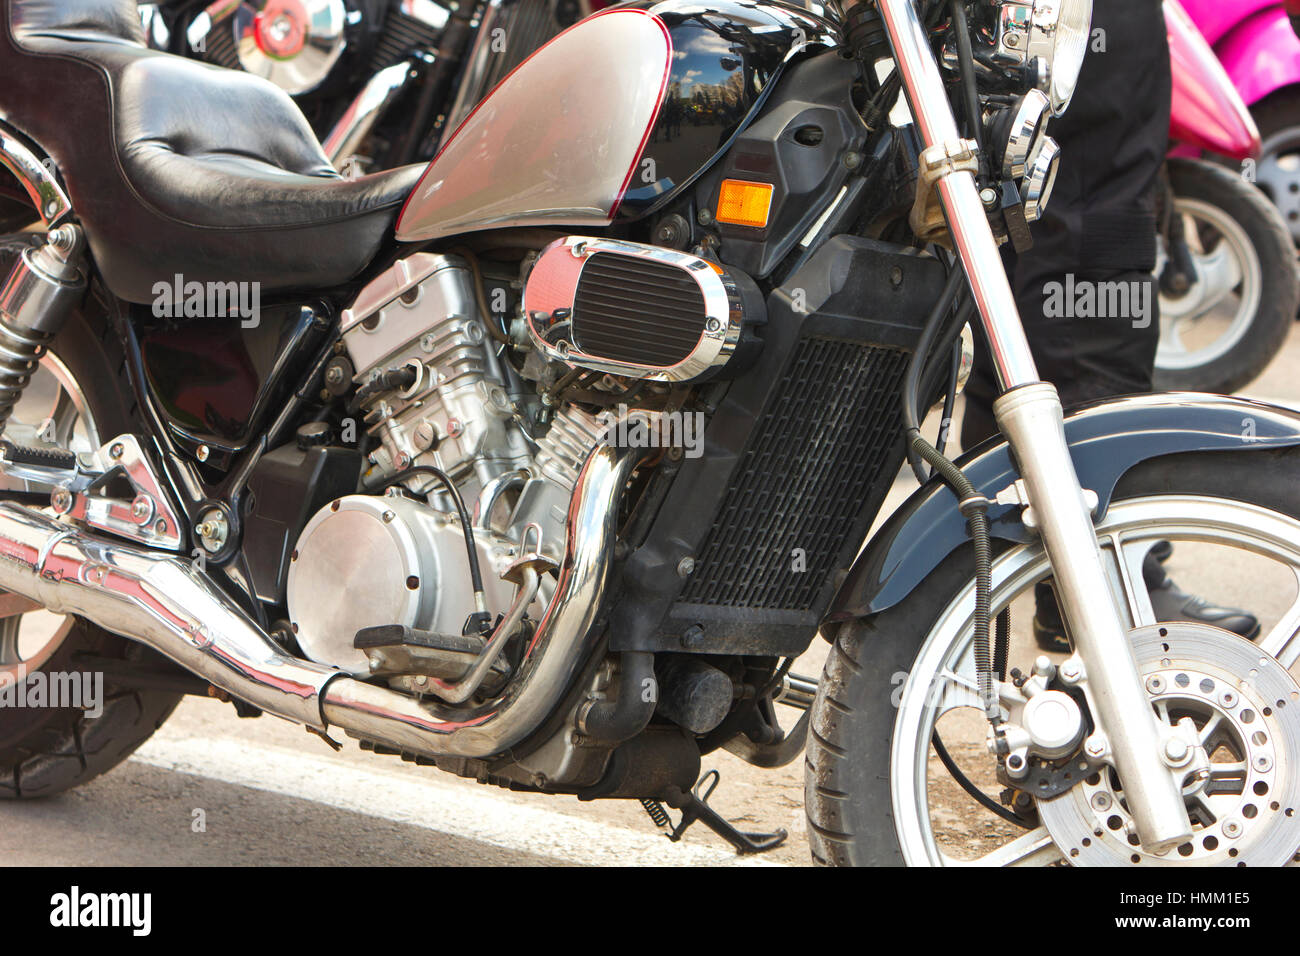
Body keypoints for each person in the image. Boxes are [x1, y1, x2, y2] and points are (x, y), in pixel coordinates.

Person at [960, 0, 1260, 650]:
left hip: (1010, 29)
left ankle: (981, 589)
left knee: (1006, 269)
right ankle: (1101, 587)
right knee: (1090, 264)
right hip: (1078, 23)